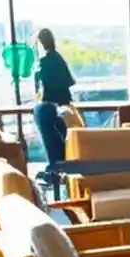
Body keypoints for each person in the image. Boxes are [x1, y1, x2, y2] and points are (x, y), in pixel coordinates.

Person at [32, 28, 76, 169]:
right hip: (63, 106)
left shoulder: (45, 63)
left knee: (54, 147)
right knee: (64, 145)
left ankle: (57, 174)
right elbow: (68, 81)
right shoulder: (58, 58)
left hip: (52, 108)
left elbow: (44, 89)